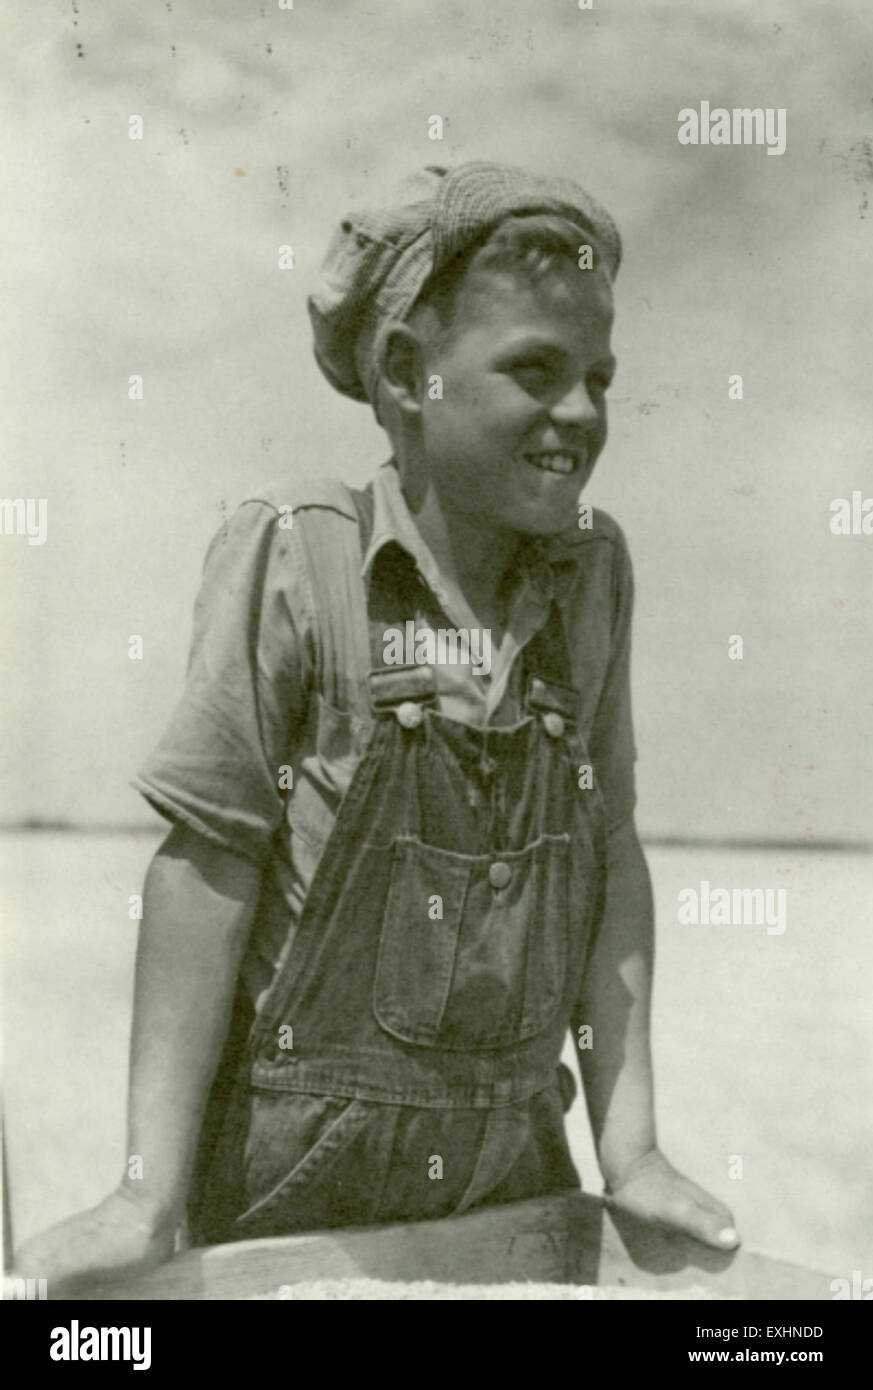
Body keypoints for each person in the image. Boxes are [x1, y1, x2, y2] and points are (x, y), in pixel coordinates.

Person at [13, 161, 738, 1290]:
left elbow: (608, 855)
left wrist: (630, 1148)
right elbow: (207, 860)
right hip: (289, 1190)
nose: (583, 413)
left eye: (599, 377)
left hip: (511, 1180)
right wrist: (147, 1195)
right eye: (536, 371)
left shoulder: (591, 576)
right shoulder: (300, 555)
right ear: (410, 374)